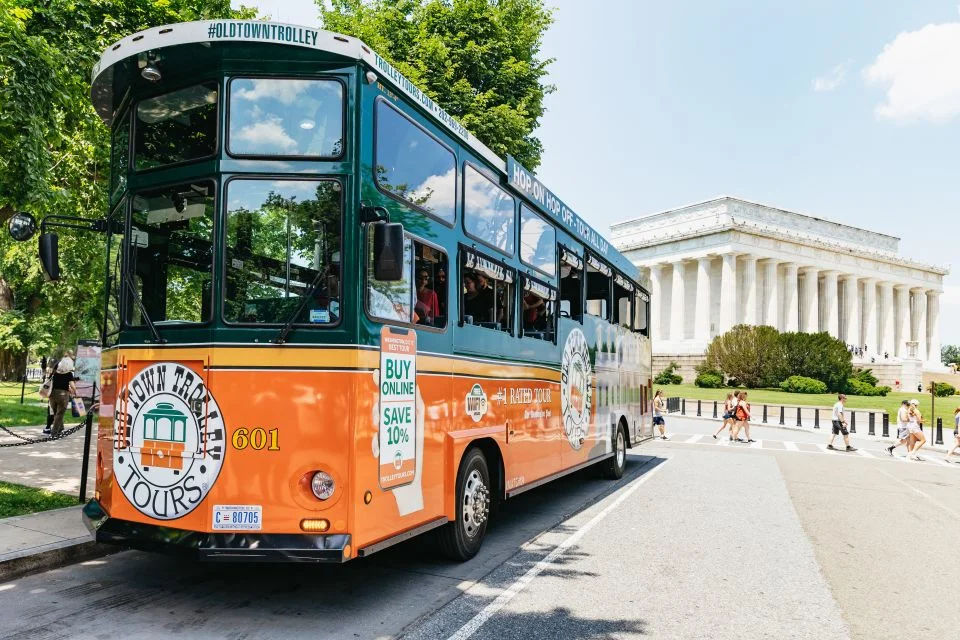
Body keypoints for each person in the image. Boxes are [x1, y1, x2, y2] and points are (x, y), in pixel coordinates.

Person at [48, 356, 77, 438]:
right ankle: (54, 433)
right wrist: (75, 392)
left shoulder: (54, 372)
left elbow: (52, 382)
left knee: (56, 413)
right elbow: (72, 385)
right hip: (63, 395)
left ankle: (60, 428)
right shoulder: (69, 374)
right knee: (59, 414)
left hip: (52, 394)